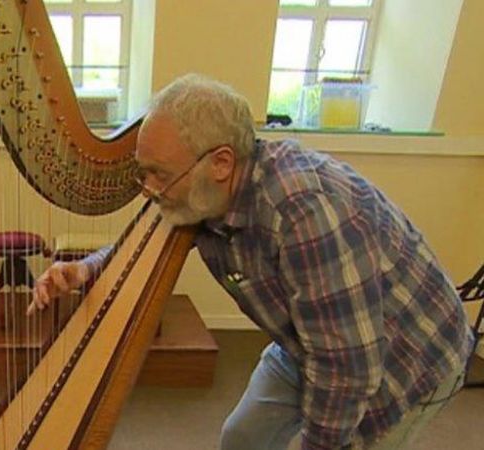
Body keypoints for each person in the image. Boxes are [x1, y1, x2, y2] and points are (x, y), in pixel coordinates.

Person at [27, 74, 473, 449]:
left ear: (221, 162)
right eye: (143, 172)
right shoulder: (201, 190)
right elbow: (149, 234)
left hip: (406, 356)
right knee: (242, 439)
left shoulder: (302, 214)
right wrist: (86, 269)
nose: (149, 188)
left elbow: (348, 369)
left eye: (159, 174)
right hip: (310, 337)